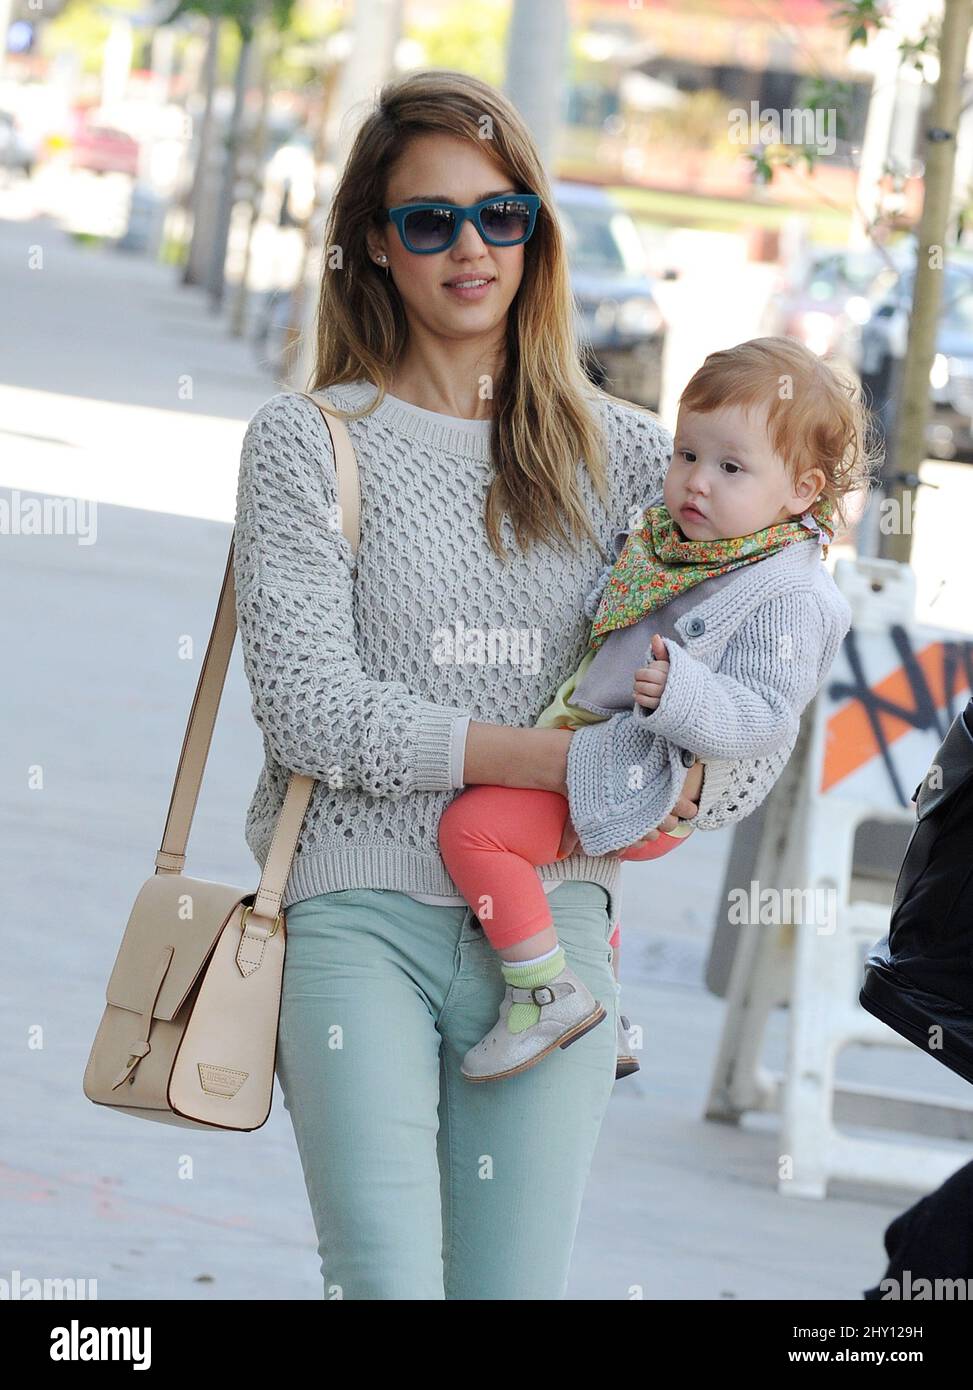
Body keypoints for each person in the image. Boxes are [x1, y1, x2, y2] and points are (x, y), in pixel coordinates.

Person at [233, 68, 797, 1300]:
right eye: (427, 220)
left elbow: (758, 714)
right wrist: (561, 762)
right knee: (384, 1282)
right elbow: (313, 712)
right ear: (375, 248)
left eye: (503, 214)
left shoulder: (642, 461)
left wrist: (675, 779)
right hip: (354, 916)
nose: (470, 247)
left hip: (557, 935)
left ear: (536, 232)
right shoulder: (307, 442)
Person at [439, 336, 877, 1081]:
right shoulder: (692, 545)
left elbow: (769, 713)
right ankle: (606, 1013)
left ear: (802, 490)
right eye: (686, 455)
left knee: (474, 831)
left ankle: (542, 991)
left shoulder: (792, 593)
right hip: (615, 757)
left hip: (642, 771)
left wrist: (681, 696)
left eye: (730, 468)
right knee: (572, 873)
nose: (695, 484)